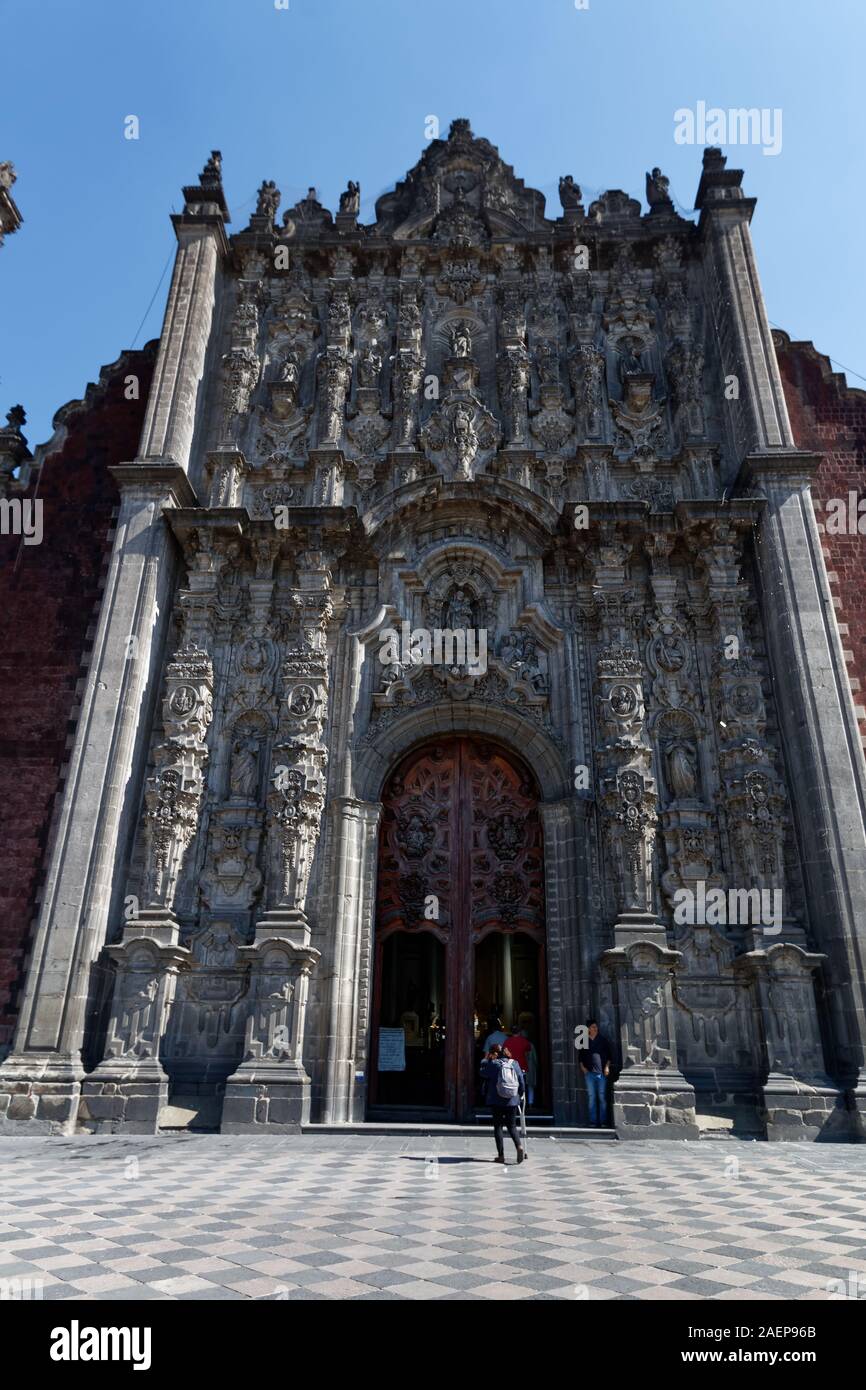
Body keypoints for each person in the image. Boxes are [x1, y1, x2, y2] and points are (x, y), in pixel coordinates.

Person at [480, 1044, 526, 1164]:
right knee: (512, 1126)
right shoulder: (514, 1063)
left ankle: (501, 1156)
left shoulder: (494, 1064)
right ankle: (519, 1146)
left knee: (498, 1127)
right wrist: (519, 1095)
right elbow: (521, 1080)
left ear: (495, 1054)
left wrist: (488, 1059)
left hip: (497, 1100)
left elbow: (483, 1073)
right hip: (512, 1099)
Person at [578, 1019, 612, 1128]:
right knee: (591, 1097)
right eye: (593, 1027)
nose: (595, 1029)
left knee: (602, 1097)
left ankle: (603, 1121)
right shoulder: (584, 1041)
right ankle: (593, 1121)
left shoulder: (602, 1040)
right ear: (588, 1029)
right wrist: (583, 1068)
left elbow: (609, 1056)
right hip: (589, 1074)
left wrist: (607, 1067)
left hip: (601, 1073)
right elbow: (580, 1057)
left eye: (596, 1027)